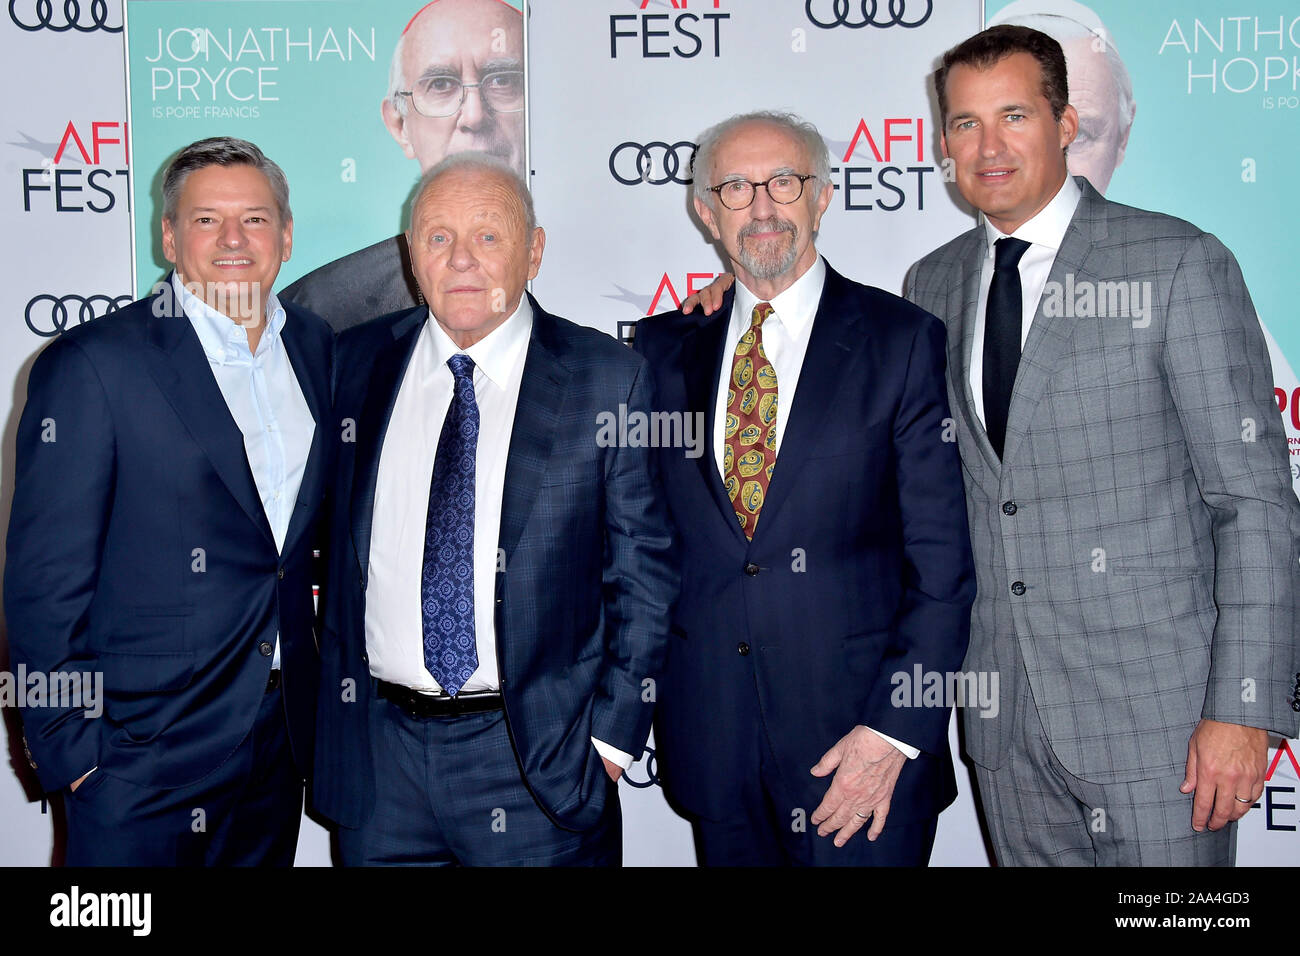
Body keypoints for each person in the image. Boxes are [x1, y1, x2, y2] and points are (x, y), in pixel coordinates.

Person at [903, 25, 1300, 865]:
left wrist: (1244, 707)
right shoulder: (930, 284)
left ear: (1066, 123)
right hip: (1006, 725)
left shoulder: (1175, 262)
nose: (989, 145)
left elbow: (1253, 503)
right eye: (965, 123)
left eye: (1013, 115)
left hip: (1164, 724)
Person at [311, 152, 676, 865]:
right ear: (411, 256)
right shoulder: (350, 366)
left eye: (488, 235)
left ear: (534, 250)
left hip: (536, 758)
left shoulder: (608, 378)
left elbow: (646, 579)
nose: (462, 260)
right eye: (438, 237)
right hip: (379, 765)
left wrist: (608, 742)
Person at [634, 111, 975, 866]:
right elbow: (643, 551)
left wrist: (893, 733)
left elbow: (944, 568)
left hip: (861, 752)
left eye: (783, 182)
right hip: (715, 747)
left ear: (821, 196)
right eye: (734, 187)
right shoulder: (661, 351)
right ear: (704, 211)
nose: (761, 206)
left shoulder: (901, 340)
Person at [5, 137, 332, 865]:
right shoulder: (95, 364)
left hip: (277, 742)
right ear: (168, 235)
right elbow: (43, 582)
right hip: (136, 756)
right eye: (206, 219)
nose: (232, 240)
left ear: (285, 232)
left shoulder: (315, 347)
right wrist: (77, 756)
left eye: (254, 218)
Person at [281, 0, 525, 332]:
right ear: (399, 125)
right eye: (441, 85)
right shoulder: (326, 311)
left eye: (502, 81)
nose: (474, 115)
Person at [989, 0, 1136, 194]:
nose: (1049, 171)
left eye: (1080, 134)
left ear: (1123, 137)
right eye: (1015, 121)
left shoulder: (1163, 226)